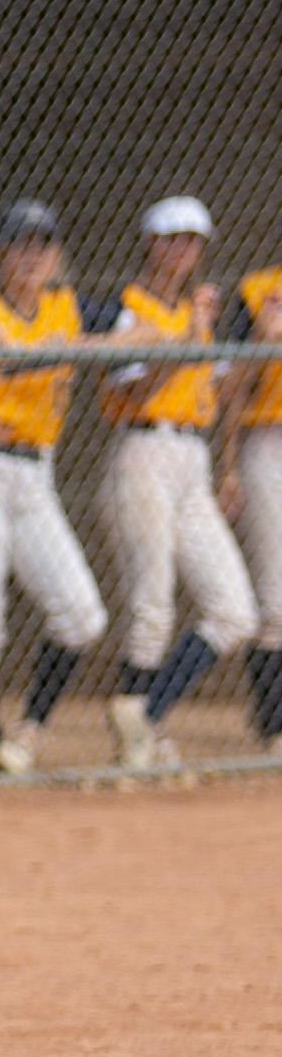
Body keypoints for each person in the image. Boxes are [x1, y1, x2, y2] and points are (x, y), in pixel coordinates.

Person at [0, 201, 109, 774]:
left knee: (82, 615)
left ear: (57, 254)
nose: (32, 256)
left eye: (43, 244)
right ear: (1, 255)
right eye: (20, 244)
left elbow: (154, 330)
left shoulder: (69, 309)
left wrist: (77, 348)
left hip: (37, 476)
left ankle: (28, 732)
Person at [79, 197, 255, 769]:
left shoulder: (201, 313)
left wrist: (258, 343)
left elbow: (222, 392)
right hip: (142, 450)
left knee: (234, 612)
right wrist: (186, 340)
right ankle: (137, 740)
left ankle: (145, 714)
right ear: (151, 242)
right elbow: (132, 394)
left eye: (194, 241)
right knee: (151, 606)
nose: (185, 250)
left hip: (193, 459)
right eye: (173, 238)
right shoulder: (125, 311)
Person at [220, 258, 282, 749]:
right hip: (268, 442)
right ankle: (274, 725)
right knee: (275, 592)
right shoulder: (259, 289)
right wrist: (229, 464)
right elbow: (228, 388)